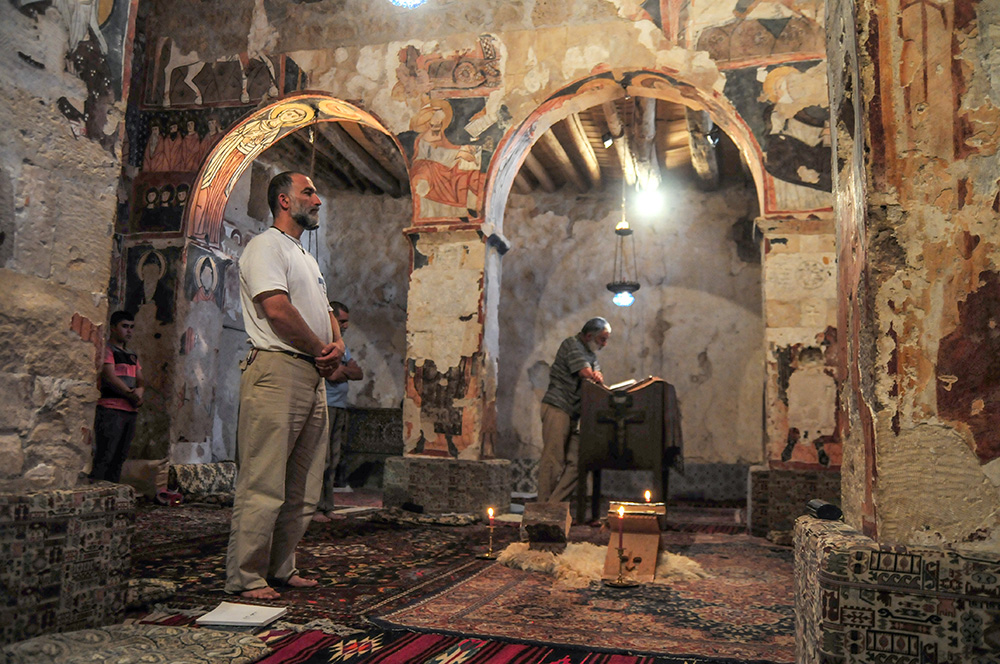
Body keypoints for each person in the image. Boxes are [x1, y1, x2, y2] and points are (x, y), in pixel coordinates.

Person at [225, 171, 344, 600]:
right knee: (264, 481)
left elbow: (324, 307)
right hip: (277, 370)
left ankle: (280, 566)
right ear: (283, 200)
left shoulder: (306, 258)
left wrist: (337, 341)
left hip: (310, 374)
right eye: (309, 192)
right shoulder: (264, 246)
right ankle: (246, 576)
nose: (318, 200)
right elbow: (276, 310)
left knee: (303, 485)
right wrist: (320, 349)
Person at [536, 317, 611, 504]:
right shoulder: (572, 344)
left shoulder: (592, 355)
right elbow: (586, 373)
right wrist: (595, 376)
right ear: (588, 336)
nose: (604, 344)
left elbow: (596, 380)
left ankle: (553, 506)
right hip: (558, 407)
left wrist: (599, 378)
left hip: (574, 414)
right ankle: (541, 509)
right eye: (602, 339)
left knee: (578, 461)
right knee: (553, 460)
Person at [313, 301, 364, 522]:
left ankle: (328, 506)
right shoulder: (323, 343)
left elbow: (358, 373)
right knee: (320, 459)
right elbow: (331, 375)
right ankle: (314, 507)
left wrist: (341, 369)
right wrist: (342, 370)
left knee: (333, 459)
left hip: (339, 407)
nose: (346, 325)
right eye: (342, 320)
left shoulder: (342, 347)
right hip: (325, 405)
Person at [90, 311, 144, 483]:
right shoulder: (108, 350)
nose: (129, 331)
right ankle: (98, 492)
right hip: (111, 409)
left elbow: (141, 380)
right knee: (105, 455)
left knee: (119, 458)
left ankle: (112, 495)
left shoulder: (132, 355)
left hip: (130, 411)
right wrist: (129, 394)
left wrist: (138, 394)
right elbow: (109, 376)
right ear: (113, 328)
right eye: (124, 326)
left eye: (132, 327)